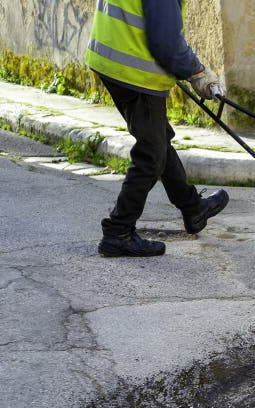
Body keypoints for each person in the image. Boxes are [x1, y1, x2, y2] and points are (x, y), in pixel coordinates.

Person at [85, 0, 230, 257]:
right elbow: (166, 44)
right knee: (152, 154)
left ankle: (193, 208)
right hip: (135, 71)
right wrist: (197, 72)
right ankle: (118, 231)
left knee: (158, 140)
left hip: (112, 60)